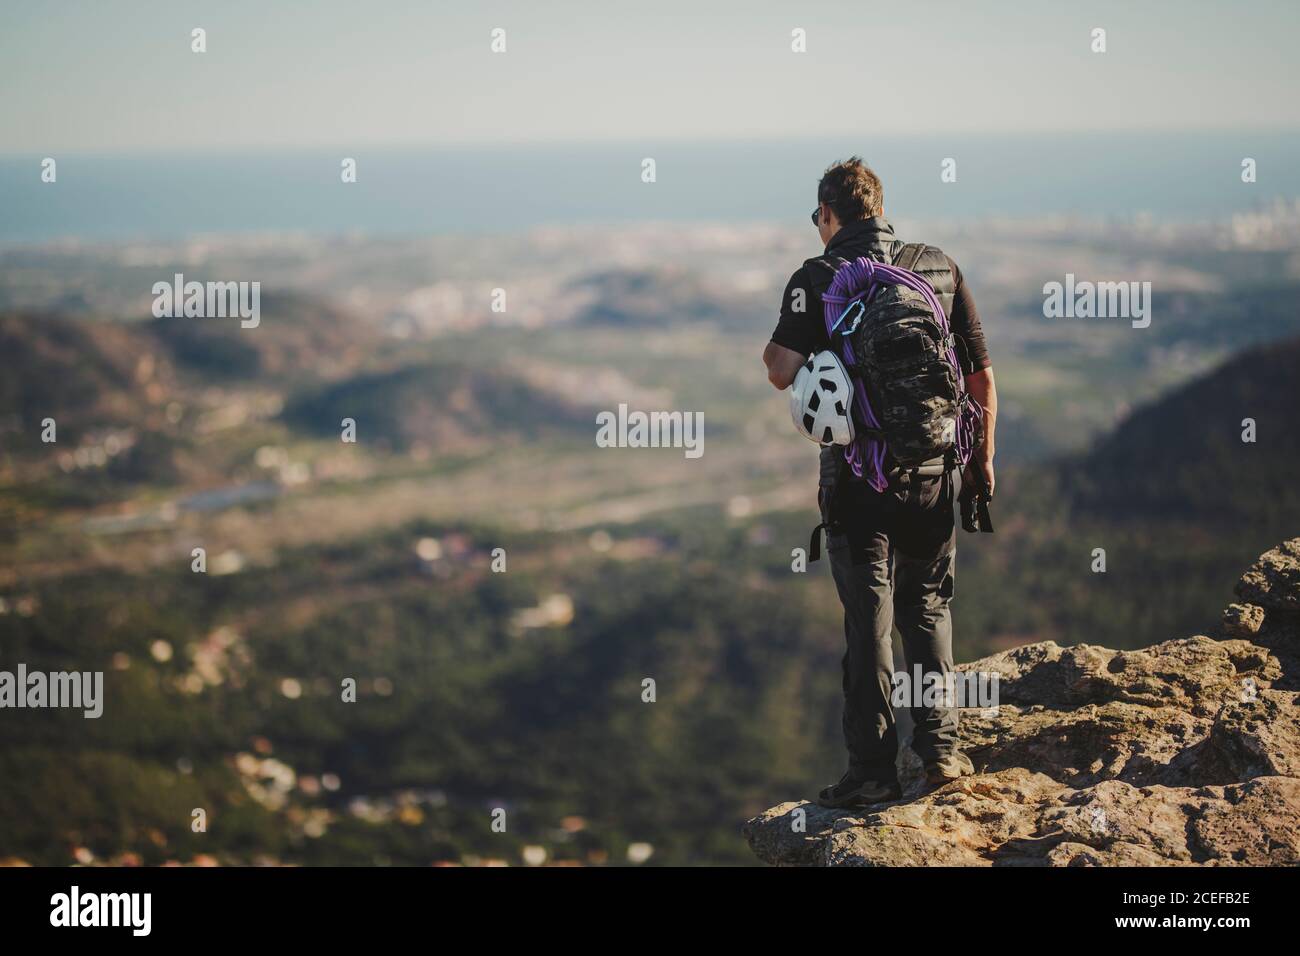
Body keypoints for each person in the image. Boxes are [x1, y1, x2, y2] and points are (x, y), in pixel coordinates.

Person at [762, 157, 998, 807]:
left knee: (869, 621)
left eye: (818, 216)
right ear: (881, 207)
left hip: (859, 480)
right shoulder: (938, 266)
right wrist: (981, 464)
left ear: (829, 215)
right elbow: (979, 378)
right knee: (928, 611)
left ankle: (872, 771)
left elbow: (779, 370)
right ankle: (944, 753)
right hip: (933, 470)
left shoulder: (818, 276)